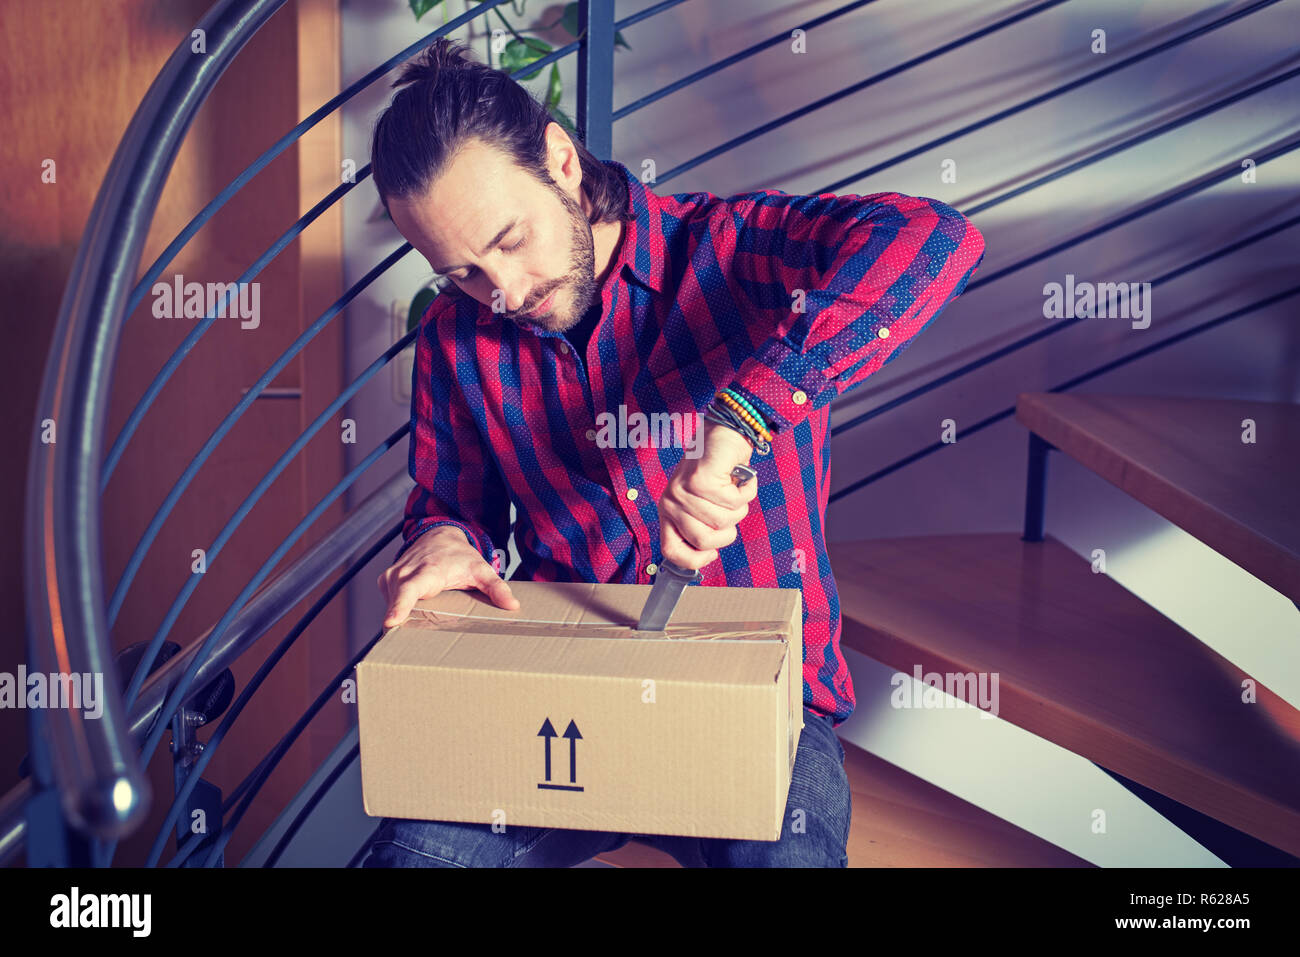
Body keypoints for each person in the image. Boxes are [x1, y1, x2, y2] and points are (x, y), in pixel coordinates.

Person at [362, 37, 986, 867]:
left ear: (560, 161)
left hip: (766, 704)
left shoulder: (732, 250)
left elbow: (934, 238)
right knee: (413, 856)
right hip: (557, 699)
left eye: (510, 241)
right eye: (464, 272)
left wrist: (744, 415)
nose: (502, 294)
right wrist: (442, 539)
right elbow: (452, 507)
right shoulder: (456, 336)